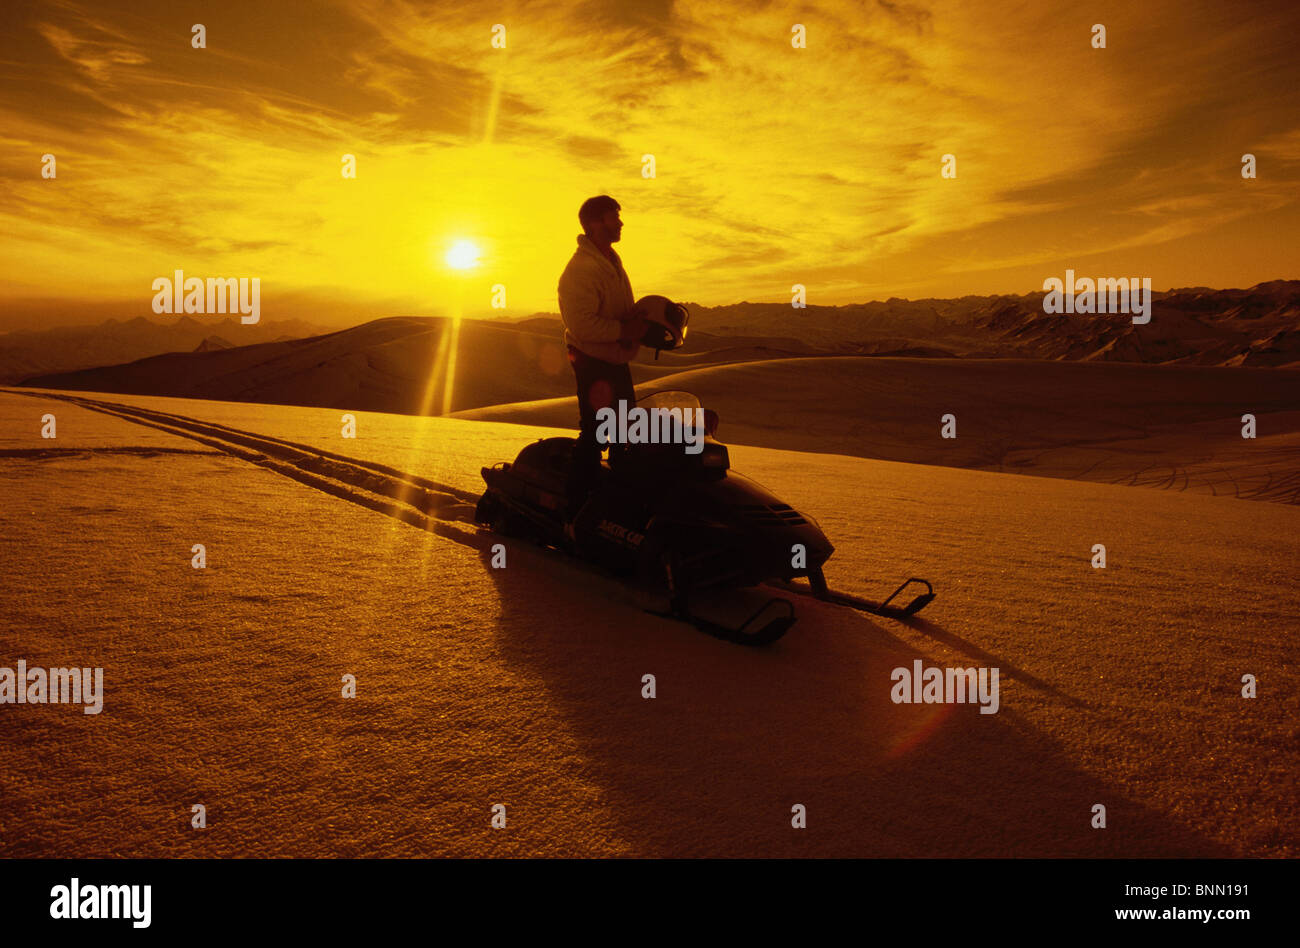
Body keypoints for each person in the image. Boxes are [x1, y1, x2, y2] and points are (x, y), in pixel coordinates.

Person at [557, 195, 647, 517]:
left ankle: (618, 511)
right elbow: (583, 326)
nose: (620, 223)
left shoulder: (611, 260)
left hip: (615, 360)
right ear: (595, 224)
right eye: (614, 218)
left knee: (627, 433)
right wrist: (625, 331)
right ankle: (573, 511)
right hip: (591, 360)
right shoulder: (580, 270)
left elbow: (621, 313)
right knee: (596, 433)